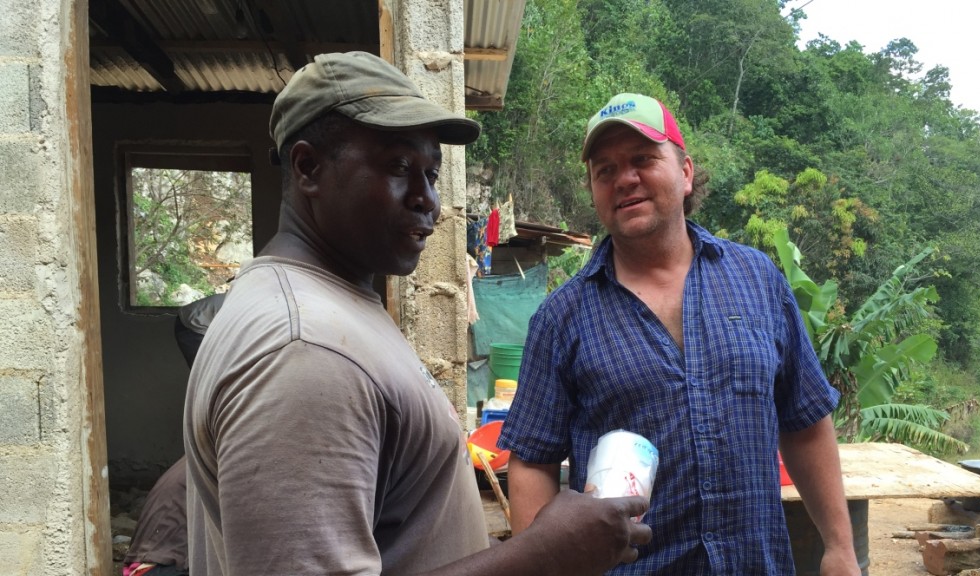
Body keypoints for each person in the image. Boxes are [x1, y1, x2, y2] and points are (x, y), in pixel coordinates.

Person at [182, 52, 651, 576]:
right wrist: (541, 556)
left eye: (431, 173)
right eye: (400, 167)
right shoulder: (303, 349)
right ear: (308, 167)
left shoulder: (333, 305)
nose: (428, 200)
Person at [497, 92, 860, 575]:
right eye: (604, 170)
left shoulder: (757, 281)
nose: (624, 179)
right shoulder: (563, 317)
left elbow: (806, 420)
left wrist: (839, 546)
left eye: (643, 159)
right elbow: (533, 462)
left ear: (685, 172)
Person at [124, 293, 226, 576]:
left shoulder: (202, 461)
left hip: (148, 563)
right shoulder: (224, 462)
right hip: (157, 568)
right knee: (215, 387)